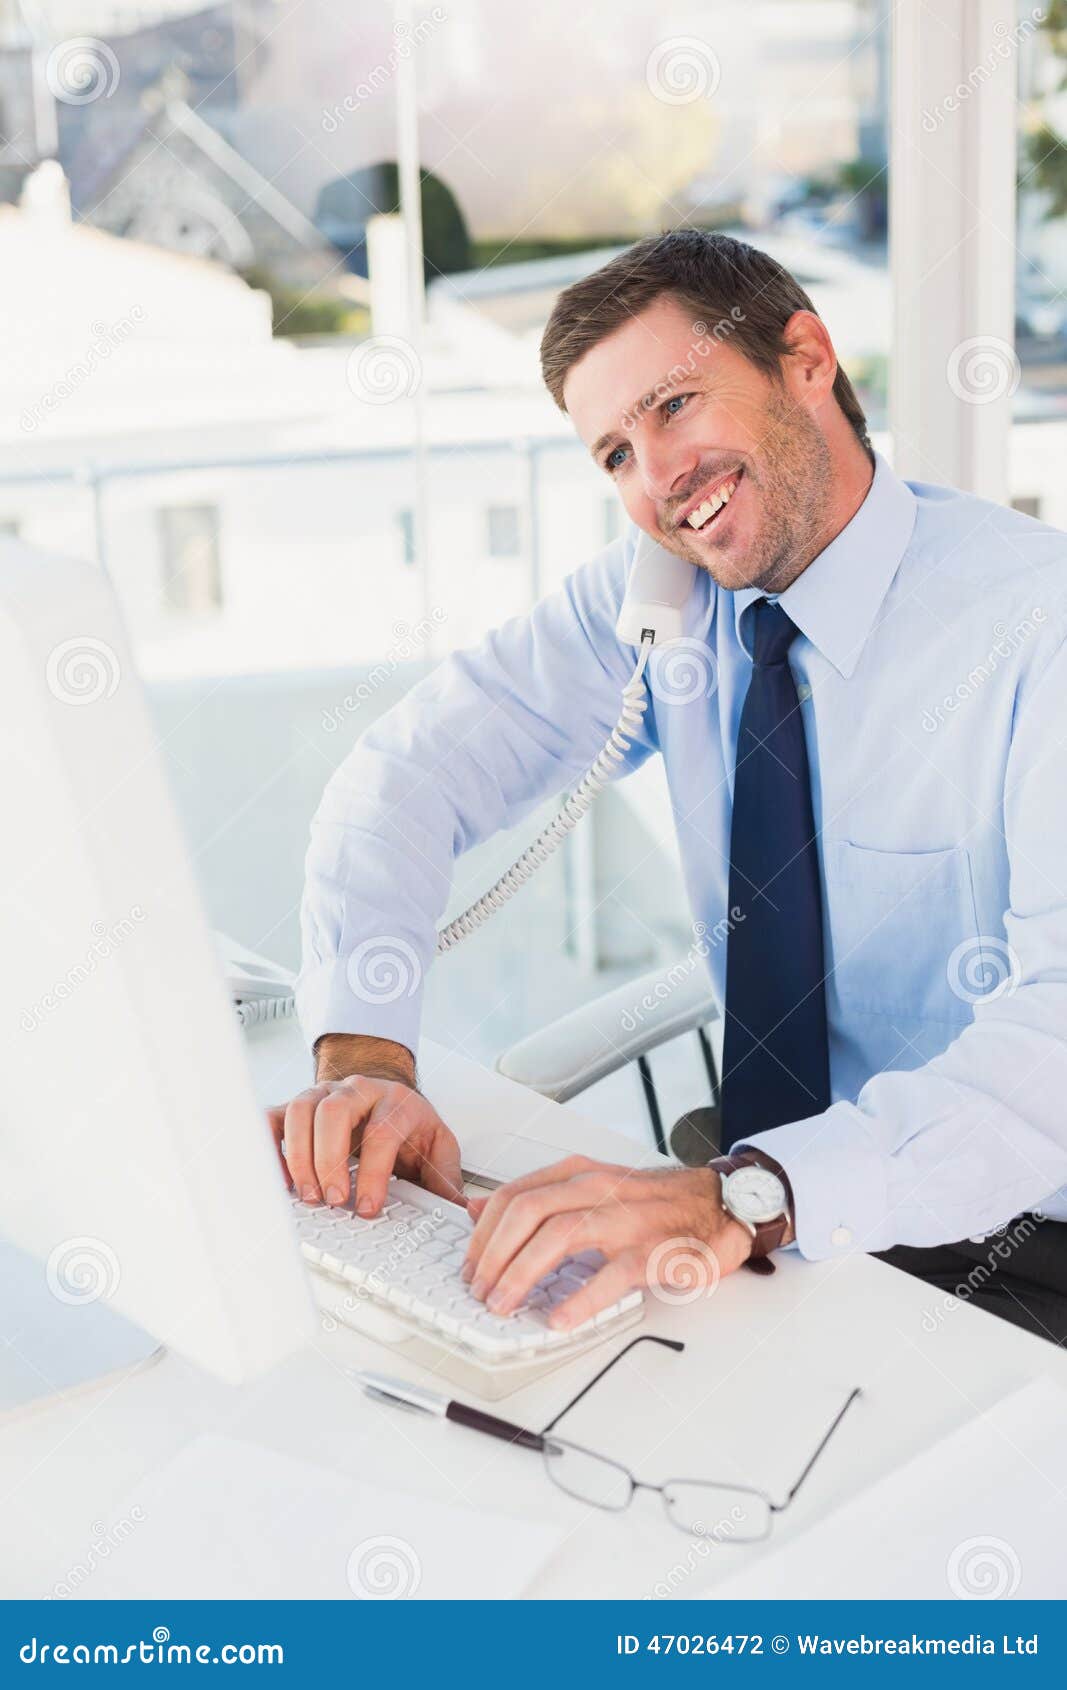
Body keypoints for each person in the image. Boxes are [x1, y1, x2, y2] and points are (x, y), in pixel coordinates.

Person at [270, 230, 1067, 1344]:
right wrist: (362, 1057)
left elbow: (1052, 1052)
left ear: (805, 358)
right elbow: (406, 775)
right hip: (763, 1204)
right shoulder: (657, 602)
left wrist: (744, 1195)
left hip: (1012, 1228)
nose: (656, 479)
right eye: (612, 454)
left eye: (676, 405)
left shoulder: (1037, 628)